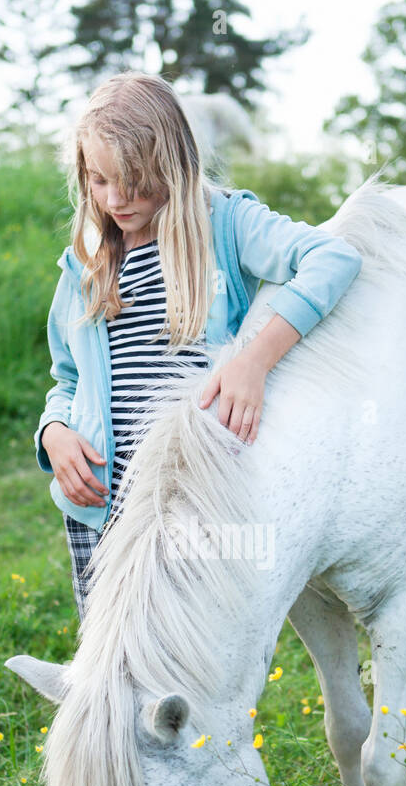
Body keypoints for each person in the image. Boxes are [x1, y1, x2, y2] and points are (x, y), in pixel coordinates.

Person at [34, 71, 362, 617]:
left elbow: (333, 258)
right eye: (99, 180)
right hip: (99, 506)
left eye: (135, 180)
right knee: (112, 666)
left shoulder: (227, 223)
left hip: (193, 500)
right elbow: (67, 379)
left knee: (190, 656)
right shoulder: (86, 264)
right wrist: (54, 432)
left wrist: (253, 360)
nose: (116, 199)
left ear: (175, 162)